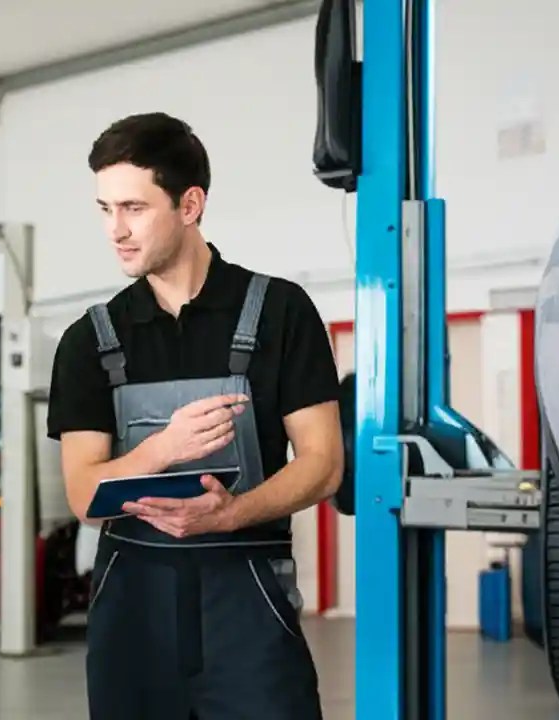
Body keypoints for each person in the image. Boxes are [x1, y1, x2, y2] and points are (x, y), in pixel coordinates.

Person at [47, 112, 345, 720]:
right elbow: (82, 494)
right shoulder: (87, 341)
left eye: (133, 207)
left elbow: (324, 464)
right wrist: (163, 447)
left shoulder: (282, 314)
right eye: (105, 209)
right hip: (131, 616)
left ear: (190, 204)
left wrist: (231, 512)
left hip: (250, 607)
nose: (116, 230)